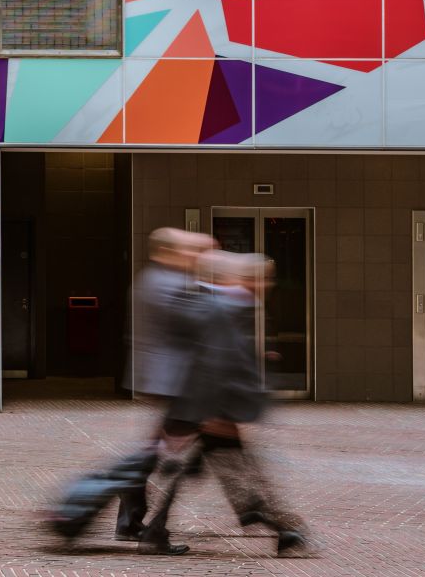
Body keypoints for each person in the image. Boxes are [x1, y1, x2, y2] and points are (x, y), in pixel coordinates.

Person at [140, 251, 307, 557]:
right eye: (263, 277)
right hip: (205, 410)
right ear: (246, 279)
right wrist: (208, 415)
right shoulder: (224, 307)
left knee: (218, 468)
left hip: (201, 408)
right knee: (229, 468)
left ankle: (272, 523)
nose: (268, 284)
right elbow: (212, 363)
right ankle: (277, 526)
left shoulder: (221, 305)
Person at [113, 227, 212, 547]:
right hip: (174, 381)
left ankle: (131, 521)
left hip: (165, 379)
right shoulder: (168, 282)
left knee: (158, 453)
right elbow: (198, 324)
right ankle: (152, 532)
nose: (194, 258)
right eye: (189, 252)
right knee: (171, 457)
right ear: (168, 251)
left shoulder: (151, 279)